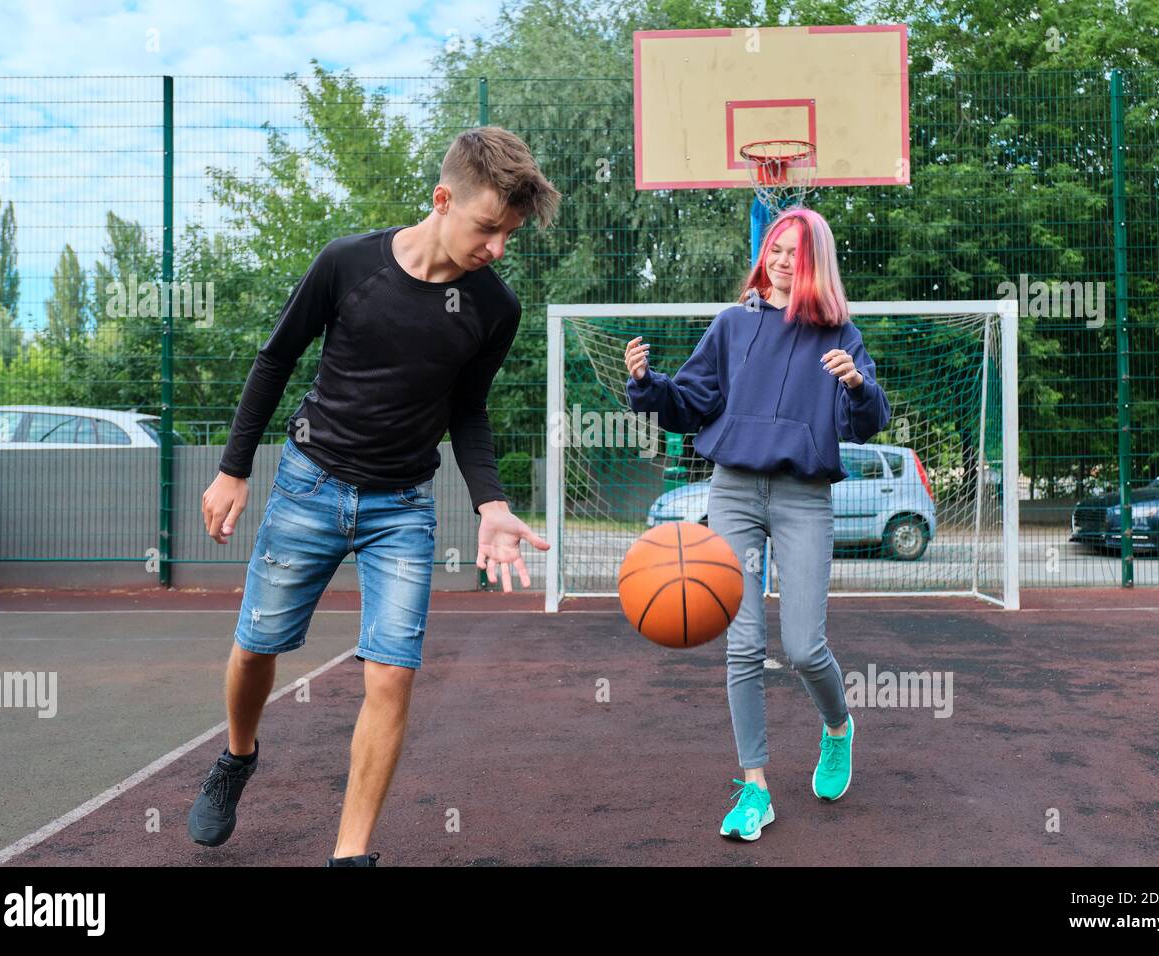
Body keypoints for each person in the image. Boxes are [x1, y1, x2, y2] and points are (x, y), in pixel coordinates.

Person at [191, 127, 561, 865]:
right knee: (256, 650)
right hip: (307, 487)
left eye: (509, 234)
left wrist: (490, 505)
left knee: (391, 674)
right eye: (489, 228)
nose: (498, 247)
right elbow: (275, 360)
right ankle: (236, 757)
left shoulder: (496, 307)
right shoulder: (347, 262)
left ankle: (350, 855)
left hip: (402, 509)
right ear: (442, 199)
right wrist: (233, 470)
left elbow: (468, 410)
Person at [624, 206, 891, 841]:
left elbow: (867, 421)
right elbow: (690, 402)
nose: (780, 258)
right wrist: (646, 383)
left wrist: (856, 386)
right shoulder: (731, 325)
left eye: (795, 251)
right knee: (743, 644)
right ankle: (755, 787)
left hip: (803, 497)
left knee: (802, 646)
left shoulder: (839, 335)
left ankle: (836, 729)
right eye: (776, 246)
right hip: (735, 491)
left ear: (814, 262)